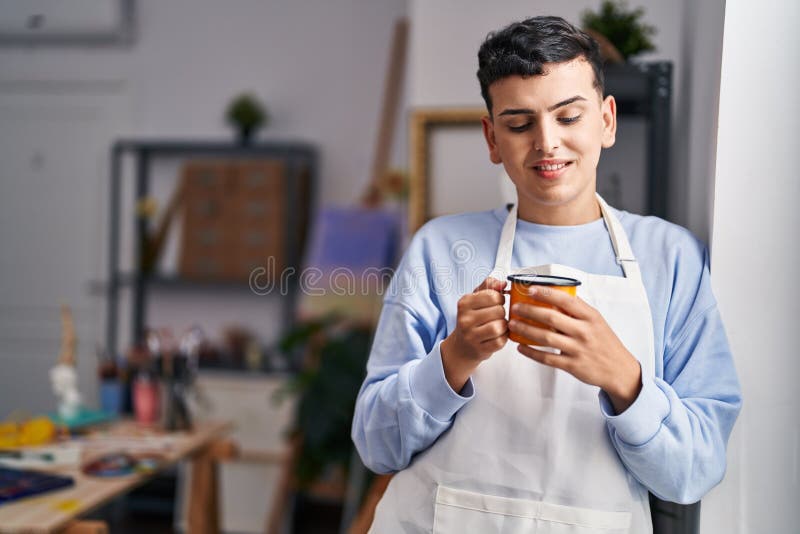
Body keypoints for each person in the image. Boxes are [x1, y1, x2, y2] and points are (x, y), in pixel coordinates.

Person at [351, 15, 741, 533]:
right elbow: (377, 446)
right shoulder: (439, 249)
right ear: (492, 139)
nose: (547, 142)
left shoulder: (671, 259)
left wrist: (623, 378)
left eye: (568, 116)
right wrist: (454, 358)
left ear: (607, 121)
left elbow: (695, 472)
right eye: (519, 124)